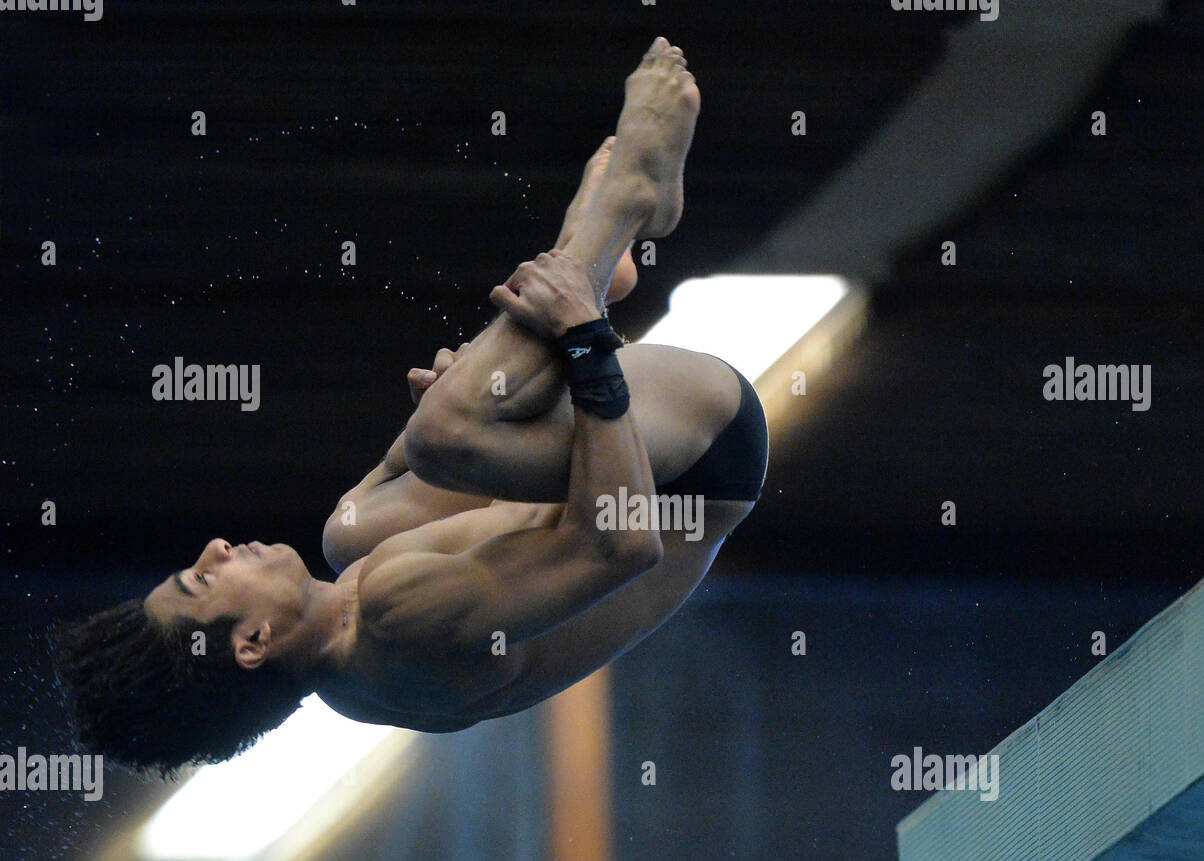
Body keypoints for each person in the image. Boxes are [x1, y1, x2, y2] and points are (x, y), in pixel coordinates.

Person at [54, 38, 767, 773]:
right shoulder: (400, 622)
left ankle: (589, 265)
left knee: (364, 512)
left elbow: (446, 468)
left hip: (611, 463)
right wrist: (580, 345)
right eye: (203, 579)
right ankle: (624, 206)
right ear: (254, 642)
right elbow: (622, 543)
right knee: (445, 435)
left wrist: (473, 388)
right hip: (695, 468)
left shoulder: (354, 647)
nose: (213, 548)